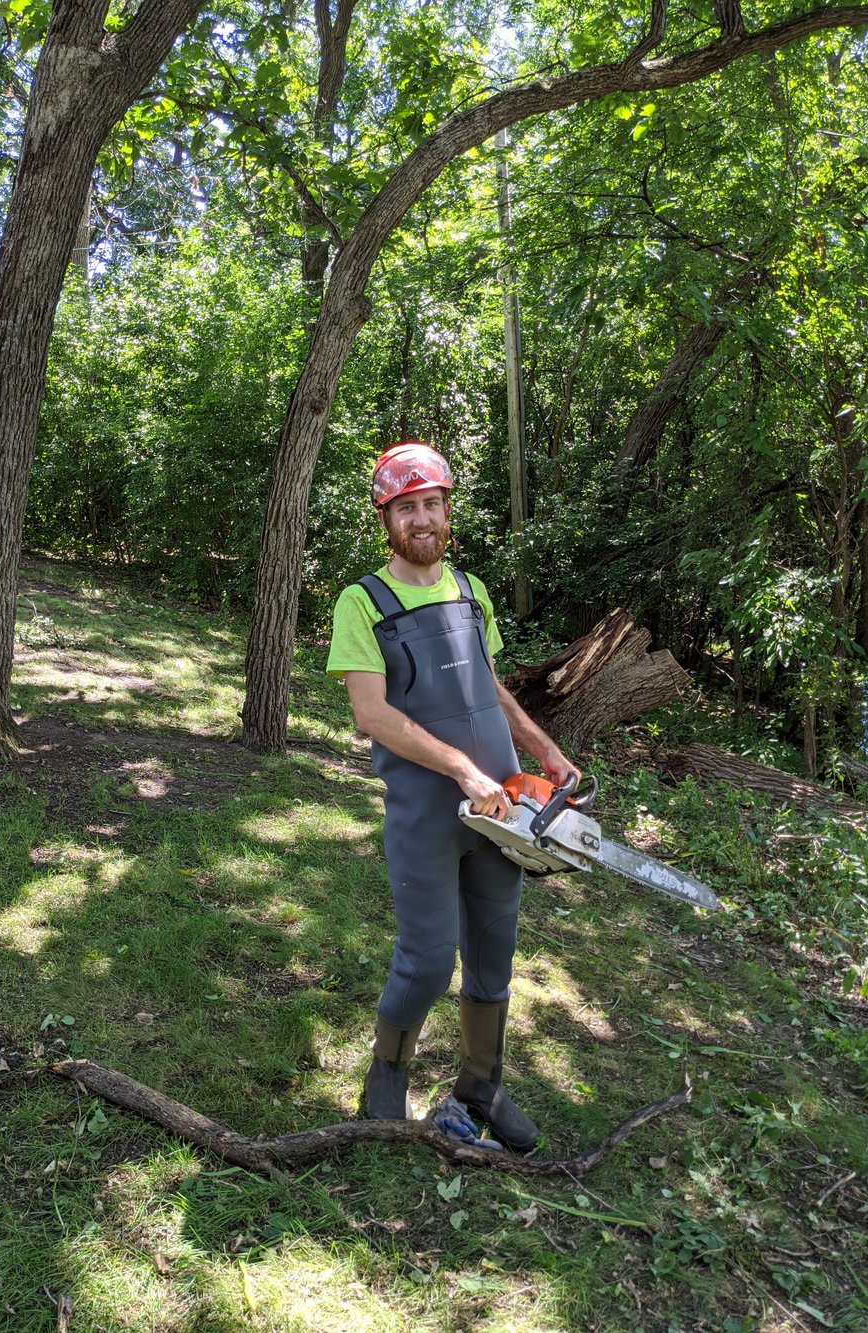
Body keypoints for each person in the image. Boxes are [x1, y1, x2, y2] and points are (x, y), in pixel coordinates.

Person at [326, 441, 578, 1151]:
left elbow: (490, 688)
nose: (423, 518)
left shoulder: (470, 590)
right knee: (429, 958)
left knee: (495, 954)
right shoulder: (362, 601)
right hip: (426, 812)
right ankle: (388, 1069)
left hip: (500, 811)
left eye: (432, 503)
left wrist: (541, 747)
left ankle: (481, 1083)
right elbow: (371, 713)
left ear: (447, 510)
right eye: (407, 507)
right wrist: (461, 770)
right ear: (388, 519)